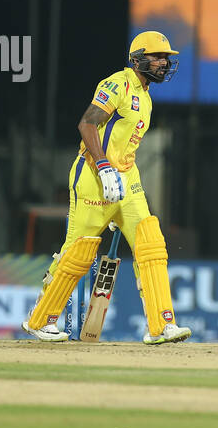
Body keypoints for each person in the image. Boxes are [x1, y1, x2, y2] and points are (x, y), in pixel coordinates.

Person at [21, 32, 191, 344]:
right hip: (93, 174)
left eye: (166, 57)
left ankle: (161, 325)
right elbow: (86, 123)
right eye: (156, 56)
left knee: (150, 242)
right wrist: (103, 166)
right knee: (79, 251)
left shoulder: (147, 95)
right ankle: (41, 320)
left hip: (128, 175)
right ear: (137, 58)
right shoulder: (118, 84)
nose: (164, 62)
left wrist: (119, 174)